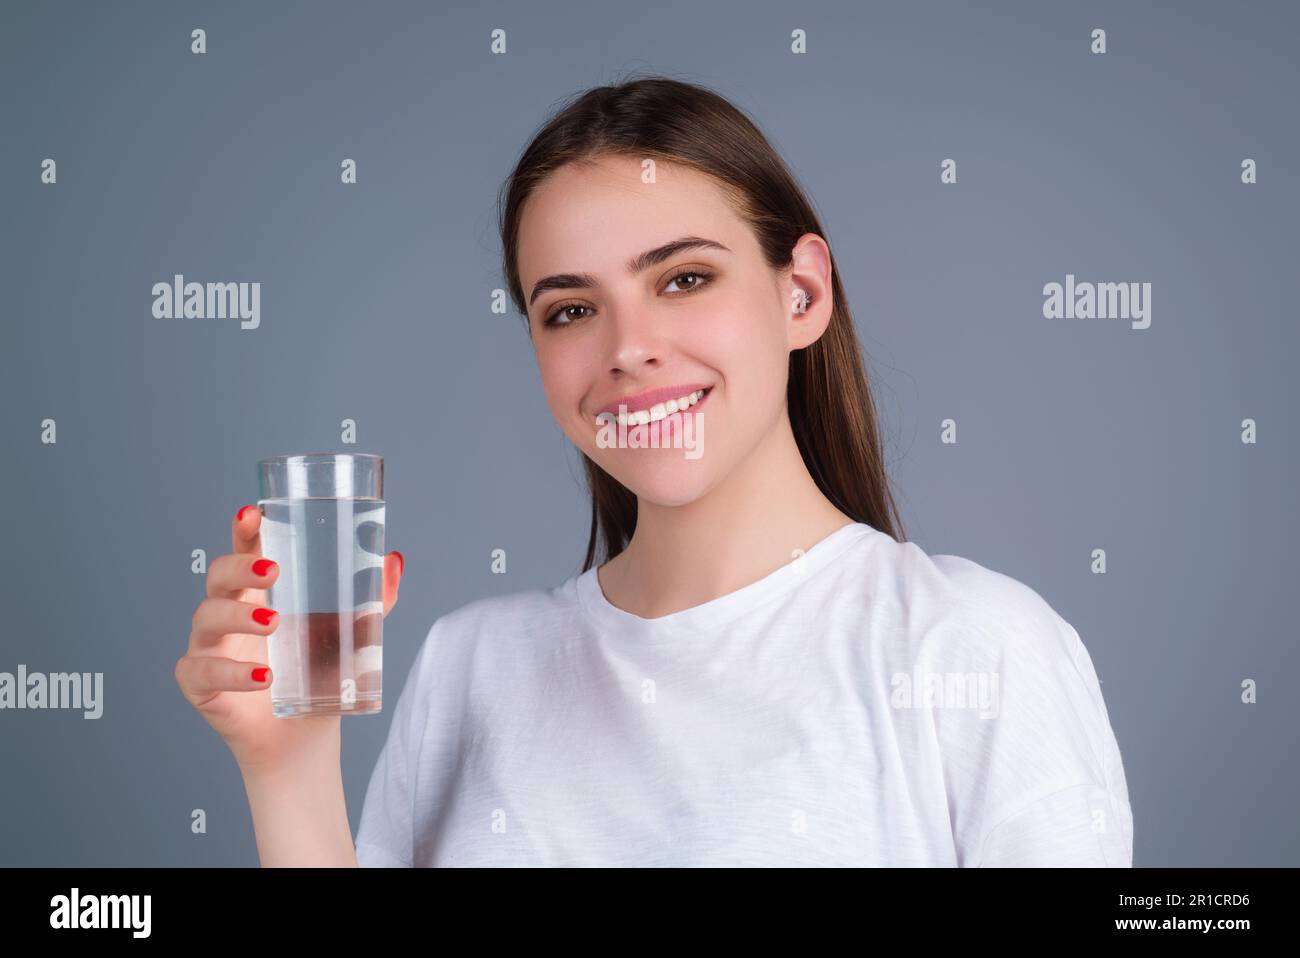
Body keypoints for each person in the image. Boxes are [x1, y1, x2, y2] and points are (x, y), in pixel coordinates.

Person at [177, 74, 1133, 867]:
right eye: (571, 309)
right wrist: (289, 765)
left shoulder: (972, 650)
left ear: (801, 293)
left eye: (683, 278)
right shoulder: (470, 668)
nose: (629, 348)